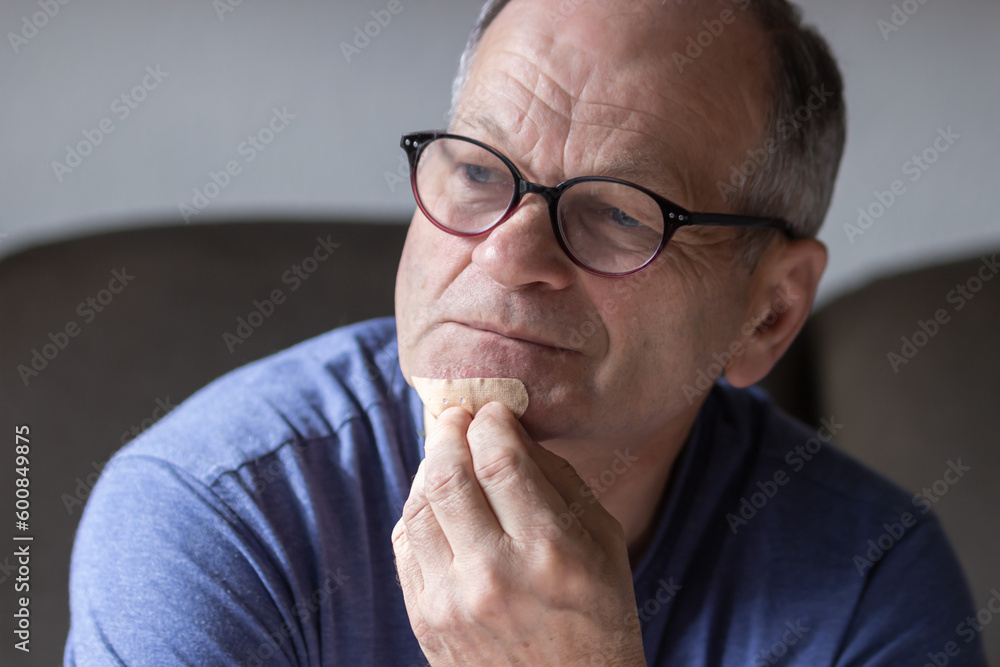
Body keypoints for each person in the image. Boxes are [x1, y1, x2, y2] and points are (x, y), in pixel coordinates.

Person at [65, 0, 986, 665]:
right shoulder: (210, 520)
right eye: (474, 170)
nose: (508, 252)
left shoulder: (872, 585)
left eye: (623, 213)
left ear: (769, 312)